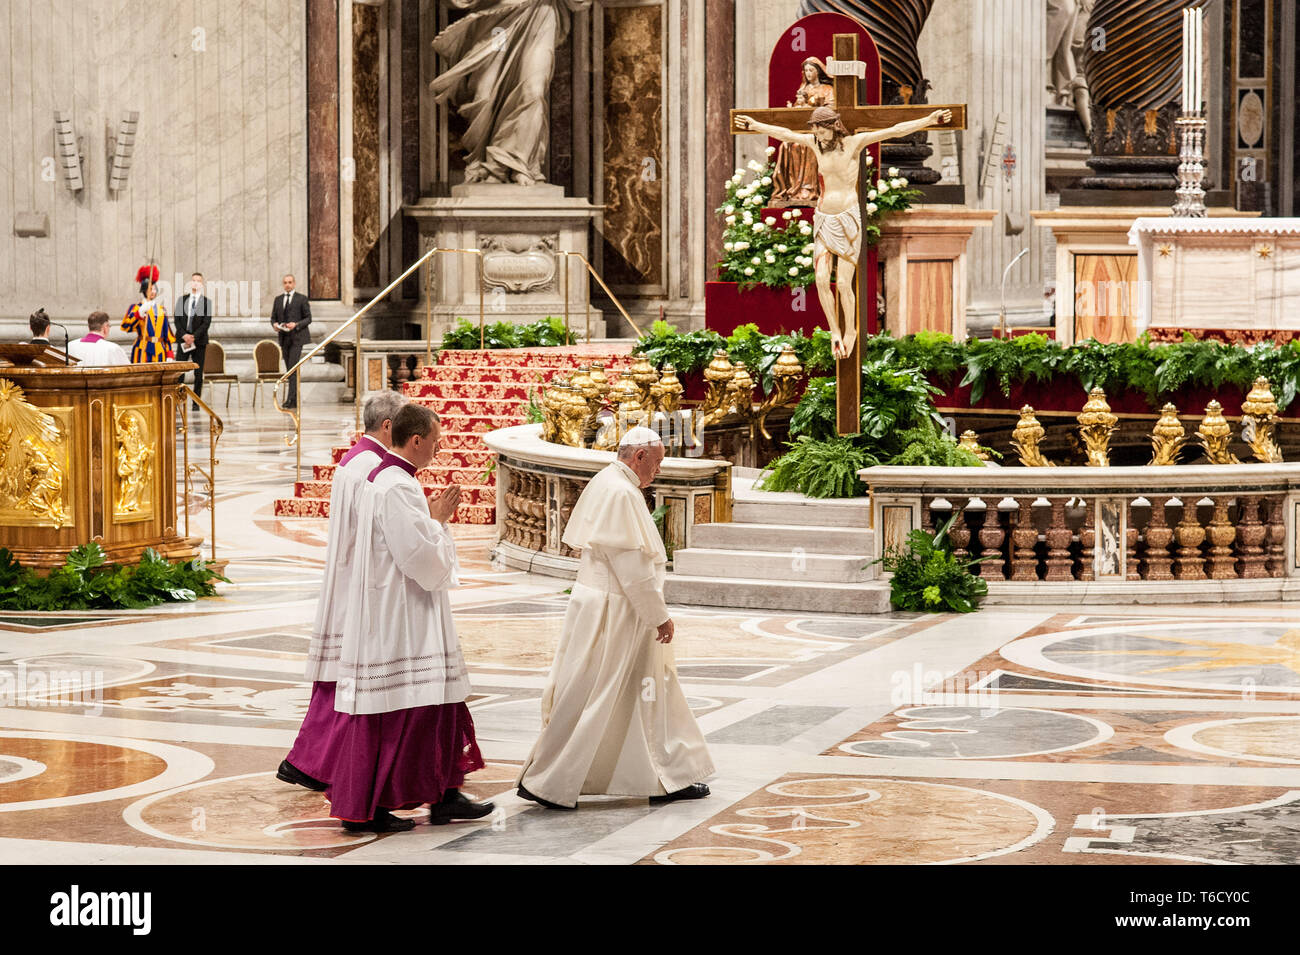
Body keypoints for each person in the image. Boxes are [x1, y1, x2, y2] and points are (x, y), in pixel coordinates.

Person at [516, 426, 714, 811]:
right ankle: (552, 781)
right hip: (620, 610)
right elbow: (632, 568)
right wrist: (659, 616)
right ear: (638, 456)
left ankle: (660, 776)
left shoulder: (607, 480)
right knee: (605, 693)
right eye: (655, 464)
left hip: (602, 605)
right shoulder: (623, 492)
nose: (657, 472)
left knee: (621, 694)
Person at [327, 403, 493, 832]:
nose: (438, 450)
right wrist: (438, 522)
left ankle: (445, 794)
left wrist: (432, 520)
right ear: (415, 440)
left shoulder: (390, 479)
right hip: (402, 614)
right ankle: (370, 807)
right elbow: (418, 558)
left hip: (406, 609)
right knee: (404, 711)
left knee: (436, 703)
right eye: (436, 442)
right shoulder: (396, 486)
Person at [734, 106, 950, 359]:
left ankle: (851, 330)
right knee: (822, 279)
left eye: (819, 127)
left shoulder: (854, 144)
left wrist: (929, 120)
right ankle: (835, 331)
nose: (815, 132)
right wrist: (754, 125)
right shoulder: (814, 144)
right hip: (824, 219)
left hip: (847, 219)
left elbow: (895, 130)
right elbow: (784, 133)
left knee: (844, 284)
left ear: (833, 126)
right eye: (813, 127)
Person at [278, 390, 407, 794]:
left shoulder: (355, 459)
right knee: (346, 686)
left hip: (350, 575)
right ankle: (308, 763)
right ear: (388, 426)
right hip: (363, 582)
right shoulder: (372, 465)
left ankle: (311, 762)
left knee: (339, 683)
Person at [770, 57, 836, 208]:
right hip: (801, 131)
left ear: (818, 71)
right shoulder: (803, 89)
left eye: (811, 70)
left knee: (810, 147)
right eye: (806, 70)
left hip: (820, 132)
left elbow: (831, 110)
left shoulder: (827, 89)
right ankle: (794, 188)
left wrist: (818, 105)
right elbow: (797, 112)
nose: (808, 73)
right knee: (787, 146)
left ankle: (808, 187)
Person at [269, 273, 311, 409]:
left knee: (292, 368)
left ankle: (291, 400)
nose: (287, 284)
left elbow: (308, 318)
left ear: (294, 283)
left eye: (290, 282)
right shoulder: (278, 299)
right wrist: (275, 325)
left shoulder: (302, 299)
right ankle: (294, 399)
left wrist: (296, 324)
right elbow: (273, 317)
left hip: (297, 338)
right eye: (285, 282)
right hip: (284, 338)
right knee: (289, 370)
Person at [121, 265, 174, 363]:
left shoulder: (162, 310)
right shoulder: (136, 308)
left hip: (159, 350)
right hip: (142, 349)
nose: (153, 292)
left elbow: (167, 334)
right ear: (144, 290)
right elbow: (126, 326)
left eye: (154, 289)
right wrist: (139, 314)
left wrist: (169, 352)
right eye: (150, 289)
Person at [174, 273, 213, 405]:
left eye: (198, 281)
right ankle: (179, 398)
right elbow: (177, 320)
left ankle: (196, 402)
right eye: (194, 281)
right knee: (179, 371)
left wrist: (193, 337)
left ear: (202, 285)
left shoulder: (207, 303)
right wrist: (184, 335)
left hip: (199, 342)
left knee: (198, 372)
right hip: (183, 340)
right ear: (191, 283)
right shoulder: (181, 300)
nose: (196, 283)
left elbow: (206, 323)